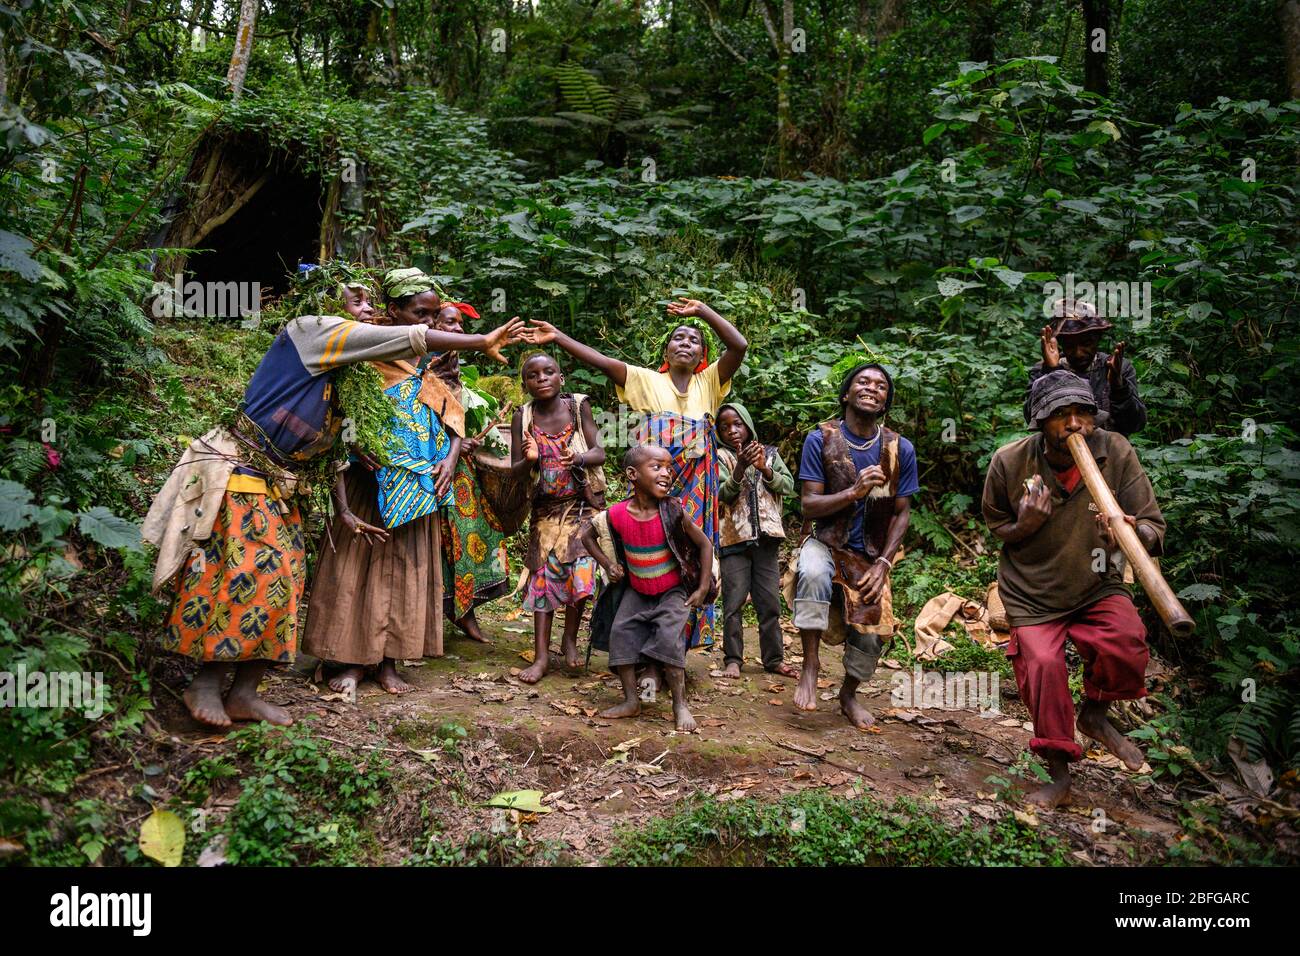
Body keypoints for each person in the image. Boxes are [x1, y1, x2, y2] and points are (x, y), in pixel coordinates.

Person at [141, 271, 526, 729]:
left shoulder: (349, 366)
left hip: (284, 482)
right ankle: (206, 682)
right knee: (244, 574)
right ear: (325, 302)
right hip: (243, 468)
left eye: (369, 303)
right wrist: (481, 340)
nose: (367, 310)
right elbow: (409, 337)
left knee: (284, 581)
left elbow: (342, 437)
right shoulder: (312, 330)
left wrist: (343, 506)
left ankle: (244, 692)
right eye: (356, 301)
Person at [984, 369, 1166, 808]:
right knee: (1043, 668)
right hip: (1032, 591)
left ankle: (1096, 714)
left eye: (1083, 414)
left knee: (1126, 642)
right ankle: (1059, 774)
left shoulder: (1116, 450)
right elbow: (997, 524)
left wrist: (1126, 535)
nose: (1074, 425)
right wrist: (1023, 525)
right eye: (1061, 416)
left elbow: (1153, 526)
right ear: (1040, 422)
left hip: (1096, 583)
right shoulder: (1010, 461)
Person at [527, 298, 745, 657]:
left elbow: (739, 345)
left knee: (687, 558)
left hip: (696, 493)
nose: (686, 343)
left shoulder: (710, 382)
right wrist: (559, 337)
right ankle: (640, 649)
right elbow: (599, 360)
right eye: (679, 338)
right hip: (651, 491)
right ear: (666, 349)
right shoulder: (646, 381)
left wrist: (702, 311)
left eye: (694, 340)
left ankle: (673, 649)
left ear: (703, 355)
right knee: (649, 557)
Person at [301, 269, 461, 696]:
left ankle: (389, 661)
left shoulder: (432, 359)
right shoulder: (364, 353)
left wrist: (450, 458)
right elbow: (336, 411)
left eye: (432, 314)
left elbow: (452, 414)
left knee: (405, 569)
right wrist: (355, 445)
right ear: (393, 312)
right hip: (367, 482)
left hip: (419, 485)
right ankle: (350, 659)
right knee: (356, 567)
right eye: (418, 313)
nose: (428, 323)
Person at [791, 363, 918, 729]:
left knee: (873, 624)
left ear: (885, 403)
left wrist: (883, 564)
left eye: (881, 386)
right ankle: (811, 665)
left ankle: (848, 693)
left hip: (870, 553)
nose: (871, 388)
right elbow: (808, 506)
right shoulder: (821, 439)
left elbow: (902, 513)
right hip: (826, 542)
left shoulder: (899, 448)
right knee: (812, 571)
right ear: (847, 393)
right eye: (863, 381)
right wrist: (854, 492)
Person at [580, 445, 715, 733]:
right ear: (632, 474)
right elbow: (587, 535)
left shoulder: (674, 510)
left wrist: (703, 586)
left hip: (672, 592)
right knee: (621, 634)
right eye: (657, 467)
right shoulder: (616, 514)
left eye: (668, 468)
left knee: (669, 640)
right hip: (638, 591)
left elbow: (705, 544)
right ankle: (632, 701)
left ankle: (680, 704)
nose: (666, 473)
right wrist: (607, 564)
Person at [510, 352, 607, 684]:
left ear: (561, 378)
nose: (541, 378)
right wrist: (531, 459)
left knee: (578, 574)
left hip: (583, 506)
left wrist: (577, 457)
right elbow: (515, 471)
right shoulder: (522, 417)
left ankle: (569, 639)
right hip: (545, 511)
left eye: (549, 372)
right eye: (533, 375)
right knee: (543, 580)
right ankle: (540, 657)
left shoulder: (578, 407)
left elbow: (600, 452)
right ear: (525, 384)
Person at [424, 301, 513, 646]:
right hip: (421, 466)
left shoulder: (451, 369)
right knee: (433, 539)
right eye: (450, 323)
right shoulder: (410, 364)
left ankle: (463, 611)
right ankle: (436, 612)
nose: (458, 330)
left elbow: (452, 421)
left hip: (455, 467)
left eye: (461, 325)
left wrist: (462, 445)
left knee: (470, 532)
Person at [715, 401, 797, 679]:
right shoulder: (718, 457)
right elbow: (721, 494)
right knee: (733, 602)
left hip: (766, 540)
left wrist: (764, 468)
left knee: (769, 603)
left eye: (737, 424)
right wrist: (739, 467)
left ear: (748, 426)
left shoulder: (770, 454)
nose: (732, 431)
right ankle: (733, 660)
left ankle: (773, 659)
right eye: (725, 427)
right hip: (733, 539)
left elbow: (788, 486)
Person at [1025, 298, 1147, 436]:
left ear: (1097, 339)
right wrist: (1052, 372)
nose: (1078, 353)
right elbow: (1032, 418)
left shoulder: (1117, 367)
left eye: (1086, 343)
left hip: (1109, 450)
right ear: (1061, 343)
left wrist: (1118, 386)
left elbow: (1135, 424)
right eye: (1070, 346)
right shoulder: (1043, 369)